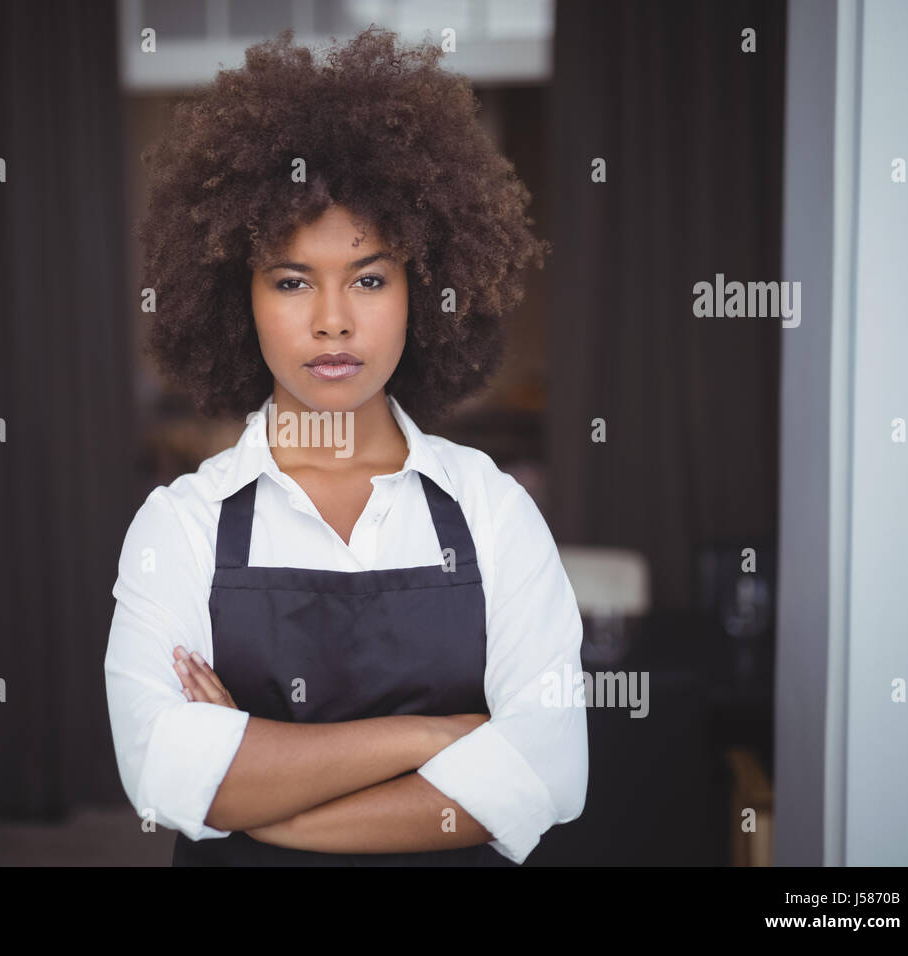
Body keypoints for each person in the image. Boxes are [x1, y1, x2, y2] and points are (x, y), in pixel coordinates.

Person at [105, 26, 587, 866]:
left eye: (369, 277)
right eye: (292, 280)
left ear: (421, 291)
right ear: (236, 297)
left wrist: (261, 792)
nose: (333, 318)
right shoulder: (180, 526)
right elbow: (164, 773)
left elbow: (545, 774)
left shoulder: (492, 512)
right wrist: (436, 736)